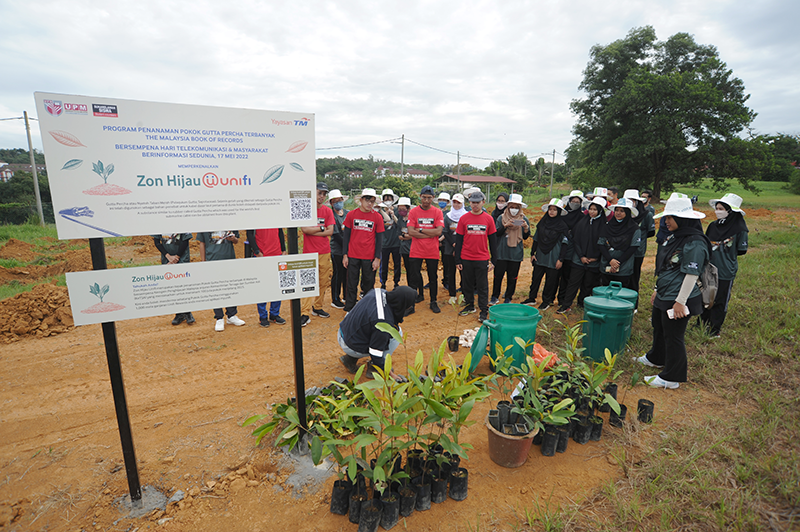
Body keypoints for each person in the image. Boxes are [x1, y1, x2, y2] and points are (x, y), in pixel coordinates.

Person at [636, 193, 710, 389]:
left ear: (682, 219)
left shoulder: (694, 242)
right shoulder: (675, 237)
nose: (665, 221)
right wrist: (656, 289)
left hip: (678, 296)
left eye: (669, 218)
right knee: (659, 328)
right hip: (665, 292)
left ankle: (672, 377)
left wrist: (680, 301)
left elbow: (692, 274)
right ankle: (656, 357)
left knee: (674, 336)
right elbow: (666, 266)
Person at [337, 286, 416, 381]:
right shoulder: (383, 323)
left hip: (344, 330)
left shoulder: (380, 291)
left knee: (371, 328)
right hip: (349, 343)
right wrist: (390, 373)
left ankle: (350, 359)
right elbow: (375, 352)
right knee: (396, 334)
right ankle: (374, 368)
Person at [701, 193, 748, 337]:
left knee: (720, 299)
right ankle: (702, 324)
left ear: (730, 211)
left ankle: (714, 329)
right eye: (717, 208)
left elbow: (741, 250)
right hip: (709, 267)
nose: (718, 211)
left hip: (726, 270)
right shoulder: (713, 226)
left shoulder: (740, 229)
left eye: (721, 208)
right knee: (706, 296)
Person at [556, 197, 608, 313]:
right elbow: (576, 240)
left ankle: (582, 303)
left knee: (587, 284)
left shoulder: (604, 225)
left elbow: (603, 244)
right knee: (573, 282)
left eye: (595, 210)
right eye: (590, 209)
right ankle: (566, 304)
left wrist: (596, 257)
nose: (592, 212)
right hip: (579, 259)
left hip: (594, 261)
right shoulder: (582, 222)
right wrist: (581, 256)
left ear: (600, 211)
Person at [455, 191, 497, 322]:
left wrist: (494, 260)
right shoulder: (464, 218)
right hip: (466, 257)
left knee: (482, 285)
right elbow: (459, 240)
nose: (475, 205)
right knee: (467, 284)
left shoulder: (488, 219)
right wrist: (458, 259)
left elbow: (493, 241)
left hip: (482, 257)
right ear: (469, 203)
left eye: (478, 203)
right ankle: (469, 305)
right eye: (473, 202)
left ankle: (483, 310)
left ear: (483, 202)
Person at [522, 198, 570, 311]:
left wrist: (561, 259)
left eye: (554, 210)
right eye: (550, 209)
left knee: (551, 280)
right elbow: (536, 239)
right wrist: (533, 253)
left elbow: (565, 244)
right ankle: (531, 298)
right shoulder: (542, 223)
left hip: (554, 256)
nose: (551, 212)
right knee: (535, 278)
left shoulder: (562, 226)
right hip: (540, 255)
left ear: (559, 211)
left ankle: (546, 301)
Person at [343, 188, 385, 312]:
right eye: (367, 200)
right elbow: (346, 237)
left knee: (368, 283)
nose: (369, 204)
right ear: (361, 200)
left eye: (372, 201)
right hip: (353, 255)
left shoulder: (377, 217)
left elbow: (380, 239)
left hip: (369, 256)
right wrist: (345, 255)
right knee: (351, 282)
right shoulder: (351, 215)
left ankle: (367, 308)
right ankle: (350, 307)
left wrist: (377, 258)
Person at [299, 182, 335, 326]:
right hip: (309, 252)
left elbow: (331, 231)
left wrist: (316, 229)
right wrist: (321, 229)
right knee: (308, 283)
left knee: (323, 281)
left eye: (324, 194)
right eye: (319, 193)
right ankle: (304, 313)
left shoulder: (327, 211)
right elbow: (305, 230)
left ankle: (318, 307)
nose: (322, 196)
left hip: (324, 252)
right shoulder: (306, 209)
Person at [197, 231, 246, 331]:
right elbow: (202, 243)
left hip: (229, 260)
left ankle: (231, 315)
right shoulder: (203, 223)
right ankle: (219, 317)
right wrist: (203, 262)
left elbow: (236, 241)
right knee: (215, 289)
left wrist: (233, 239)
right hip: (212, 260)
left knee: (230, 287)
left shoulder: (229, 220)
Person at [407, 185, 444, 313]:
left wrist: (421, 230)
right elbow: (411, 231)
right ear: (420, 197)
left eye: (429, 198)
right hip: (416, 250)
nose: (426, 200)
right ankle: (411, 304)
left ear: (433, 198)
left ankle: (433, 301)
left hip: (432, 251)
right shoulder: (413, 212)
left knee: (432, 277)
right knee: (414, 277)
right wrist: (430, 233)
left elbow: (438, 231)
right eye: (424, 197)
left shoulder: (437, 212)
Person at [491, 193, 530, 305]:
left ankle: (508, 296)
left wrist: (526, 228)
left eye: (516, 207)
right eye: (511, 207)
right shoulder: (501, 218)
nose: (513, 209)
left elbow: (526, 237)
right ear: (508, 207)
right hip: (502, 253)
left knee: (512, 277)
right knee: (498, 276)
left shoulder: (524, 219)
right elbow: (497, 233)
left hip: (516, 254)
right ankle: (495, 296)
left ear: (520, 208)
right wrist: (505, 226)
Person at [246, 227, 287, 327]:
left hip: (277, 254)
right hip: (262, 255)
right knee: (262, 286)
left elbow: (280, 231)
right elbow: (249, 234)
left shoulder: (274, 215)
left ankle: (274, 314)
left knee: (277, 286)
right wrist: (257, 251)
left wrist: (283, 249)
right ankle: (262, 316)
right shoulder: (255, 215)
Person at [597, 197, 642, 289]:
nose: (618, 213)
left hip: (624, 266)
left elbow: (633, 247)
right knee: (605, 289)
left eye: (622, 211)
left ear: (628, 212)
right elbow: (601, 244)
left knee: (621, 292)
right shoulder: (607, 226)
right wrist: (610, 260)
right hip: (607, 263)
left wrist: (618, 263)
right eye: (617, 210)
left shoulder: (634, 228)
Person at [152, 232, 195, 325]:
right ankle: (179, 314)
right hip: (167, 260)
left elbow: (185, 241)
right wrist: (168, 256)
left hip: (182, 258)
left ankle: (187, 312)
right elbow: (156, 242)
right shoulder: (158, 224)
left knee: (183, 286)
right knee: (173, 287)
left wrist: (177, 257)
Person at [624, 189, 656, 307]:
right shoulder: (624, 213)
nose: (631, 203)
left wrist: (638, 237)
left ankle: (633, 304)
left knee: (634, 277)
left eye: (633, 200)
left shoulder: (646, 214)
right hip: (623, 250)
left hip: (637, 251)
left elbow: (651, 232)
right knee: (623, 276)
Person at [441, 193, 466, 304]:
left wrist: (459, 244)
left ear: (462, 203)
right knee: (451, 272)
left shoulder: (466, 216)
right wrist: (453, 244)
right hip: (449, 248)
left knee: (464, 272)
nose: (456, 204)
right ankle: (452, 295)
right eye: (454, 202)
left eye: (458, 202)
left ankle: (465, 293)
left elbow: (467, 232)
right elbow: (445, 232)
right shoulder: (448, 216)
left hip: (464, 248)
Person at [329, 189, 349, 309]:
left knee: (347, 273)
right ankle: (335, 298)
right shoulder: (331, 215)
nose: (338, 203)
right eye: (335, 201)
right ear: (331, 203)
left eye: (339, 200)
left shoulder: (347, 213)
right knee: (338, 273)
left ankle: (347, 295)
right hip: (337, 249)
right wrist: (348, 245)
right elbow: (336, 235)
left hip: (348, 249)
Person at [378, 188, 402, 291]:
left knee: (397, 264)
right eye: (386, 198)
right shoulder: (379, 211)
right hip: (384, 243)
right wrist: (383, 211)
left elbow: (400, 225)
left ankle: (396, 283)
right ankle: (383, 283)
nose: (388, 200)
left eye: (389, 198)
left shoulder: (397, 211)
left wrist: (392, 214)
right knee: (384, 265)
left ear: (393, 199)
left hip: (396, 242)